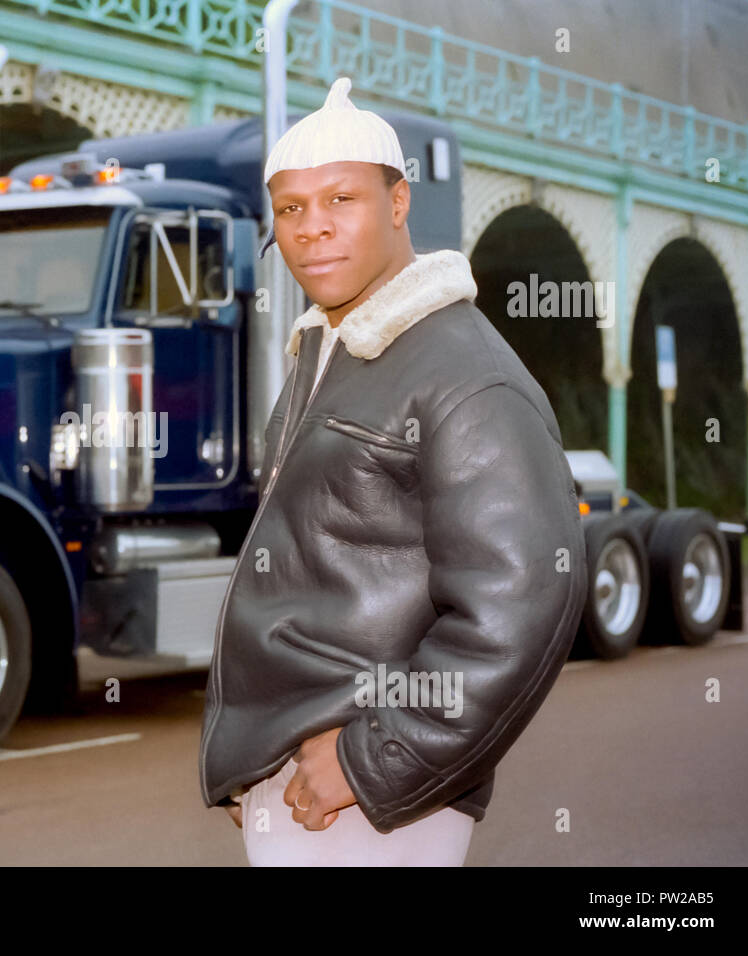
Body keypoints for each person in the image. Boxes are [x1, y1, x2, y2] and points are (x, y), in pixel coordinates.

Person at [198, 76, 588, 865]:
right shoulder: (329, 350)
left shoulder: (463, 373)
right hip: (302, 770)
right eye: (291, 208)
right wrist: (254, 762)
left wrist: (366, 757)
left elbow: (521, 604)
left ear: (399, 202)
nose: (313, 229)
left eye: (341, 199)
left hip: (376, 792)